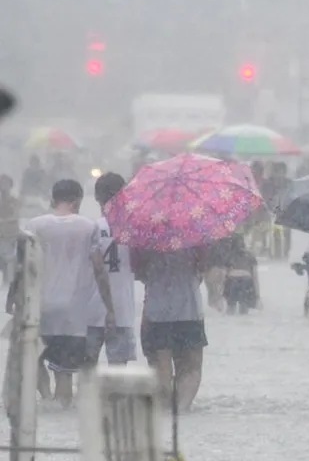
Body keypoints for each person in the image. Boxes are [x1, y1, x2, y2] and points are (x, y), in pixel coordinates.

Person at [23, 179, 115, 406]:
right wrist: (109, 307)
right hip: (73, 313)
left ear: (53, 199)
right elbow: (99, 269)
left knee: (33, 359)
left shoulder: (34, 225)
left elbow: (24, 267)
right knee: (64, 370)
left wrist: (12, 299)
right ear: (78, 200)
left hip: (39, 307)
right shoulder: (87, 227)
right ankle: (60, 403)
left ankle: (45, 398)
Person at [134, 247, 208, 411]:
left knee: (161, 368)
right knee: (191, 367)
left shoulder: (145, 237)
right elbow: (203, 266)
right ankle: (181, 410)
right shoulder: (196, 233)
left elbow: (137, 272)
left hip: (157, 311)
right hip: (189, 310)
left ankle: (164, 412)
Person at [86, 173, 137, 367]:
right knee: (118, 371)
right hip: (122, 309)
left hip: (90, 310)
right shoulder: (134, 229)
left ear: (97, 198)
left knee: (87, 368)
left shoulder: (90, 228)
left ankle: (88, 399)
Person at [223, 234, 260, 315]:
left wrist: (222, 293)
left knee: (230, 309)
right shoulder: (250, 255)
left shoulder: (229, 256)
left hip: (232, 281)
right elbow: (255, 277)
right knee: (244, 309)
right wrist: (257, 296)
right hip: (246, 281)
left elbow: (224, 275)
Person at [0, 175, 20, 284]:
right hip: (1, 234)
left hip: (10, 233)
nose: (3, 187)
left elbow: (16, 215)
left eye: (6, 184)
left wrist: (4, 221)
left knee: (9, 258)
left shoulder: (14, 201)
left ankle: (8, 280)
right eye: (1, 183)